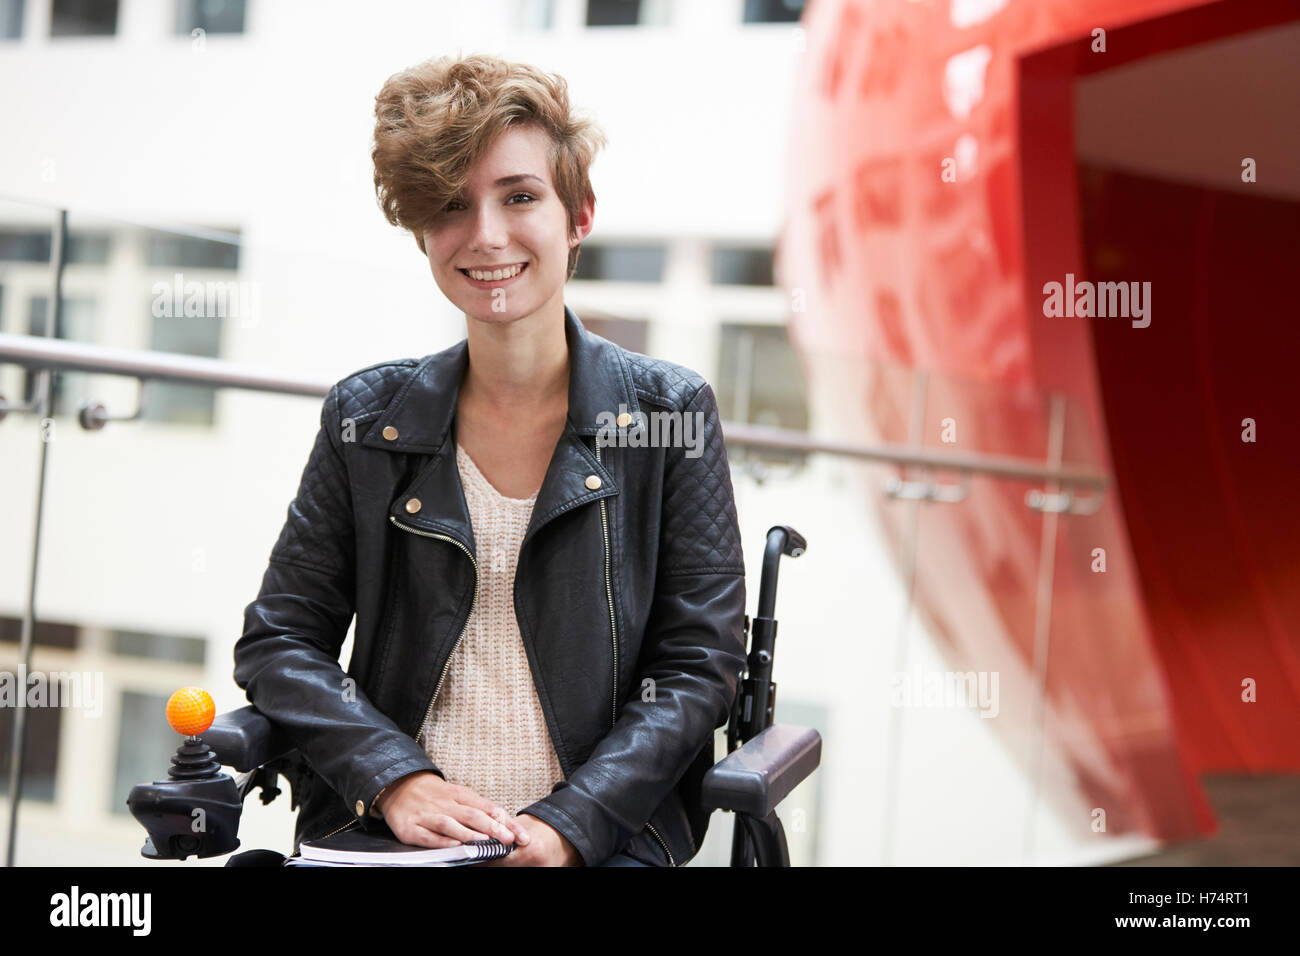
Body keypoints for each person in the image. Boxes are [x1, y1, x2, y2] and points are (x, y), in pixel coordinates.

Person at [233, 53, 747, 867]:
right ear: (421, 229)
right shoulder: (365, 420)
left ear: (578, 214)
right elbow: (281, 641)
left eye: (519, 197)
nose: (486, 237)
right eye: (450, 206)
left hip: (600, 844)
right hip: (387, 842)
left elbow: (698, 666)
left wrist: (571, 824)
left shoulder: (668, 415)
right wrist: (394, 779)